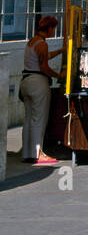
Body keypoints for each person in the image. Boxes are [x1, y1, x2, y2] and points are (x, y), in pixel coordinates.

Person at [20, 15, 62, 165]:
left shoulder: (32, 41)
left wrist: (61, 50)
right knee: (39, 119)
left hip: (26, 81)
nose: (53, 31)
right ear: (49, 28)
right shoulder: (42, 44)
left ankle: (27, 153)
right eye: (53, 28)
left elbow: (43, 57)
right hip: (38, 82)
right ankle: (38, 153)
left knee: (28, 119)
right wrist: (58, 75)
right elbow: (44, 66)